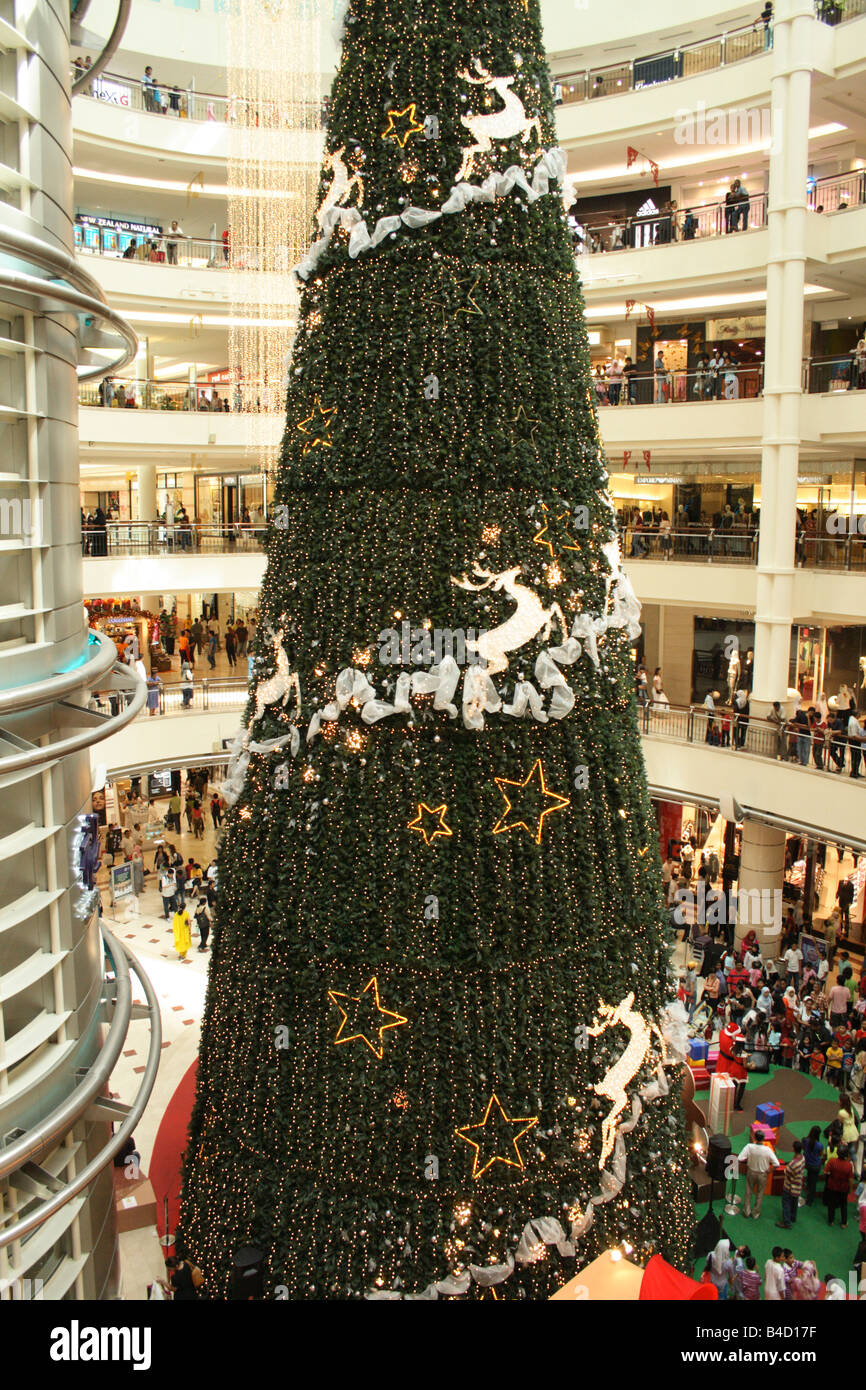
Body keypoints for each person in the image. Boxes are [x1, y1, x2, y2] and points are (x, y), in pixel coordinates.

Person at [824, 1142, 855, 1227]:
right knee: (843, 1205)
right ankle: (843, 1223)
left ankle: (831, 1221)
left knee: (831, 1204)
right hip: (843, 1188)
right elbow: (851, 1179)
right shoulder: (848, 1165)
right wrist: (851, 1189)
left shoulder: (832, 1161)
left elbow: (826, 1171)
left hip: (832, 1186)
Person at [776, 1140, 805, 1229]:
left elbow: (786, 1172)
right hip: (798, 1185)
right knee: (794, 1202)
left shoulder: (793, 1164)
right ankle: (793, 1217)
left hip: (790, 1186)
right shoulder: (802, 1158)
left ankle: (786, 1222)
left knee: (786, 1203)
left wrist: (786, 1168)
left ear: (794, 1149)